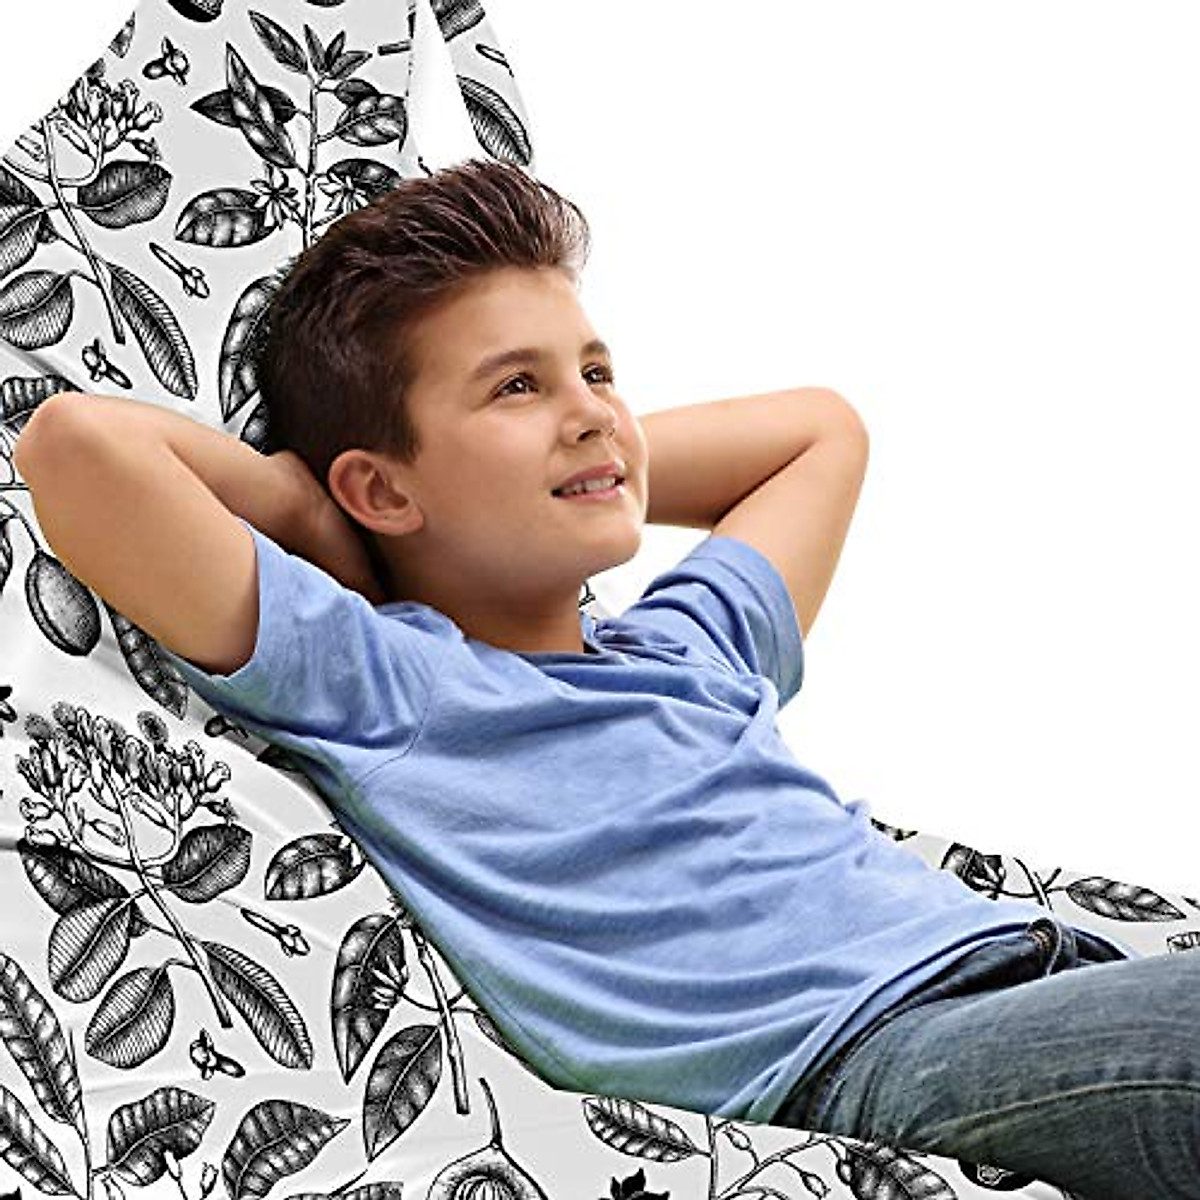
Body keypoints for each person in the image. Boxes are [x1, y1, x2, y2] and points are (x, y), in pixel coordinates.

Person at [15, 158, 1199, 1199]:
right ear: (378, 486)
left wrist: (584, 455)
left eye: (596, 371)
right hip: (870, 1055)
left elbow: (821, 431)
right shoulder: (398, 687)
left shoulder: (690, 648)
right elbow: (76, 448)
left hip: (1039, 972)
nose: (589, 411)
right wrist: (320, 518)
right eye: (516, 386)